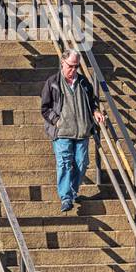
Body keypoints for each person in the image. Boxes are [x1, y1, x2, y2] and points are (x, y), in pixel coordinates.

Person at [40, 49, 104, 213]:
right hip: (62, 132)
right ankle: (66, 197)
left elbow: (92, 102)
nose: (74, 70)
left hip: (82, 130)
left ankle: (72, 191)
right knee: (65, 163)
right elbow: (45, 108)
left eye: (77, 66)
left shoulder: (83, 83)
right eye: (71, 66)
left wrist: (95, 111)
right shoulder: (53, 82)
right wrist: (57, 121)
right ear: (63, 63)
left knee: (81, 163)